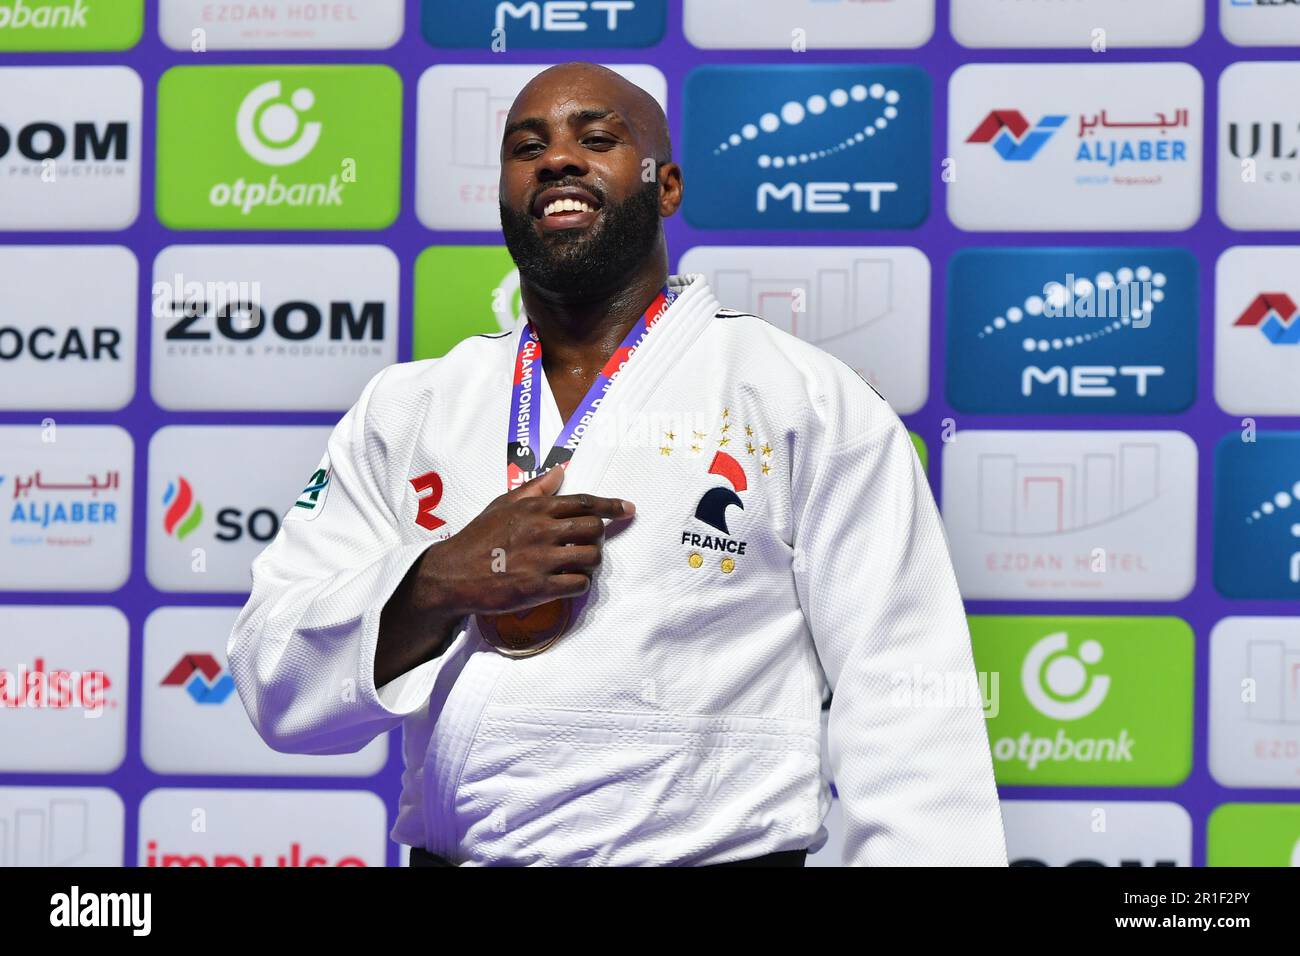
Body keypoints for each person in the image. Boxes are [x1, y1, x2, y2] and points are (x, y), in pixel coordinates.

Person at [227, 61, 1007, 867]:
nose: (557, 159)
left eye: (596, 139)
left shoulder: (801, 399)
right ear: (502, 194)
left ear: (664, 186)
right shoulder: (410, 407)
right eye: (526, 148)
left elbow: (907, 700)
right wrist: (438, 581)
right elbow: (273, 677)